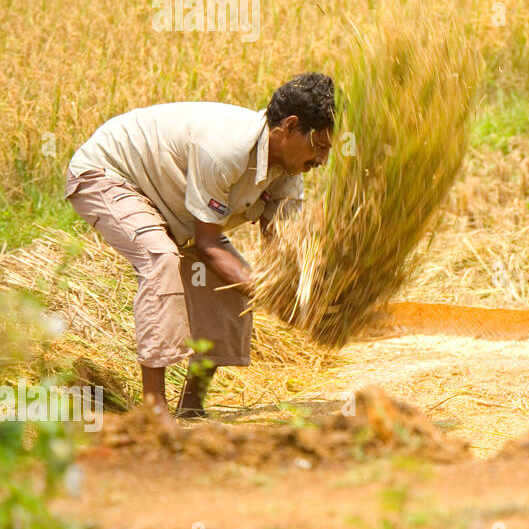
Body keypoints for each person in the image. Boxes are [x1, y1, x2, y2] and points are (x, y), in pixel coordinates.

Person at [64, 72, 335, 426]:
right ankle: (154, 410)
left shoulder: (289, 170)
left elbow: (281, 246)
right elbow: (207, 246)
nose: (323, 160)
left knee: (233, 287)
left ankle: (191, 406)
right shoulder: (226, 149)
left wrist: (308, 285)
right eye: (320, 146)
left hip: (177, 207)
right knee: (160, 258)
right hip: (110, 175)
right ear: (290, 126)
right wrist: (269, 292)